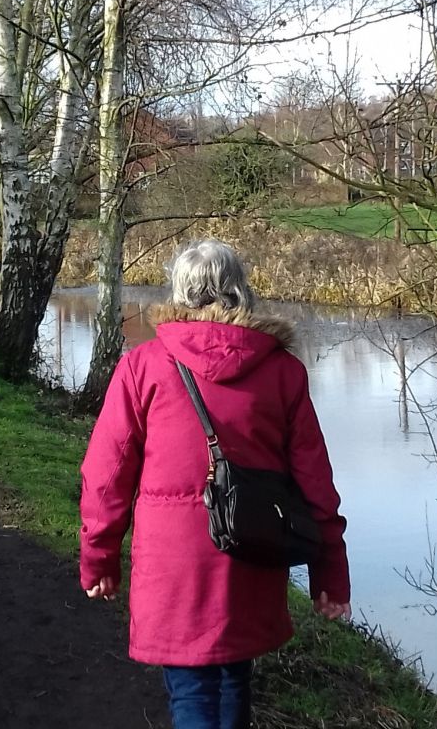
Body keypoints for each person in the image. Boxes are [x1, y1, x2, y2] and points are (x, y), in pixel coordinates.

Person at [79, 240, 351, 729]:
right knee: (233, 677)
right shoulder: (282, 370)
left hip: (173, 557)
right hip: (251, 546)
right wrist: (329, 573)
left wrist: (99, 555)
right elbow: (315, 480)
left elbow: (107, 472)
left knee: (191, 687)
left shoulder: (143, 365)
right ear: (240, 290)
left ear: (180, 293)